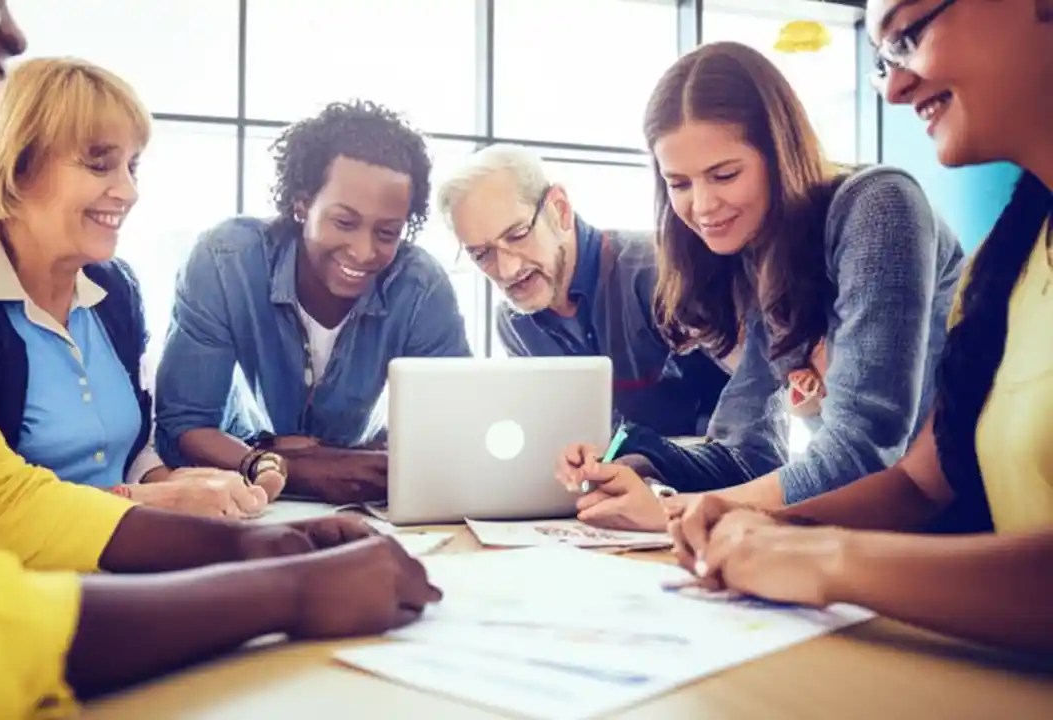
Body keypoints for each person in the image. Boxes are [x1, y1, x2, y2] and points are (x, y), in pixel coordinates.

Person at [0, 1, 439, 715]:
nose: (10, 30)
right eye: (99, 164)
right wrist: (287, 590)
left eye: (130, 166)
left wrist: (270, 551)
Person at [623, 0, 1053, 656]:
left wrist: (814, 553)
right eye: (885, 57)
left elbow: (867, 449)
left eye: (910, 33)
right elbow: (914, 481)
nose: (894, 85)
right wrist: (729, 514)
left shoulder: (878, 205)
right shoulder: (1011, 256)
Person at [556, 41, 964, 531]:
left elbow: (864, 449)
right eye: (679, 184)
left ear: (779, 154)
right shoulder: (761, 251)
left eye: (724, 174)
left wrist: (674, 512)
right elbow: (748, 450)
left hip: (961, 532)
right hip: (864, 538)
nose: (702, 207)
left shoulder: (879, 206)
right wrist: (641, 470)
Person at [0, 57, 268, 519]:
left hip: (122, 558)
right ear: (16, 166)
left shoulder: (115, 289)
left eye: (132, 167)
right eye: (99, 164)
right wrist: (143, 502)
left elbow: (131, 457)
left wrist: (183, 484)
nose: (128, 191)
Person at [155, 100, 472, 505]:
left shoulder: (420, 287)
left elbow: (454, 433)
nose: (363, 251)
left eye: (388, 232)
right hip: (258, 488)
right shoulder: (226, 261)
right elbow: (183, 427)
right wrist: (291, 466)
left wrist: (320, 457)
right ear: (302, 204)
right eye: (344, 222)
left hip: (357, 491)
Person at [438, 144, 741, 442]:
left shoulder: (659, 270)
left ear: (560, 210)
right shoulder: (515, 323)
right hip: (612, 482)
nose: (506, 269)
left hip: (714, 478)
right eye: (481, 255)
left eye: (517, 236)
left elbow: (755, 400)